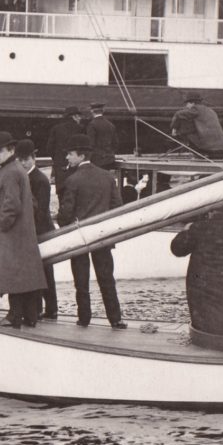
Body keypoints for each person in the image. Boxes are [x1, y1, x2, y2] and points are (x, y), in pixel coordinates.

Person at [57, 134, 126, 328]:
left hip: (80, 238)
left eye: (70, 154)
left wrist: (62, 222)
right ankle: (116, 319)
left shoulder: (73, 180)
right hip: (103, 237)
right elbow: (117, 206)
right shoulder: (107, 177)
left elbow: (66, 214)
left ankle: (84, 318)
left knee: (81, 281)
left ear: (80, 155)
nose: (67, 158)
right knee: (107, 279)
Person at [0, 133, 47, 328]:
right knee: (25, 275)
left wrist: (0, 227)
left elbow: (12, 204)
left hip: (12, 233)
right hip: (23, 232)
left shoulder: (9, 172)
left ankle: (14, 316)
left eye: (1, 151)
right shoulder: (17, 169)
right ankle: (30, 316)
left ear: (11, 151)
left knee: (13, 274)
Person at [169, 207, 223, 336]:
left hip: (202, 286)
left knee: (204, 323)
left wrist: (185, 231)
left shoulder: (198, 228)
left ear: (210, 210)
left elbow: (177, 250)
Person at [17, 139, 58, 320]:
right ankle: (40, 308)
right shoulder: (24, 177)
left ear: (34, 158)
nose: (23, 163)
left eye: (26, 159)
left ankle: (50, 308)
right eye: (20, 160)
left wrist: (30, 231)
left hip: (41, 230)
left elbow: (41, 209)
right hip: (32, 229)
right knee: (38, 270)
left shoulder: (40, 180)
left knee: (45, 271)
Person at [169, 94, 223, 158]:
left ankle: (200, 154)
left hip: (209, 147)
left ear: (192, 103)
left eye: (187, 104)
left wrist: (174, 128)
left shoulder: (196, 109)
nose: (186, 106)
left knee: (185, 131)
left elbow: (178, 114)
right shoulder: (210, 110)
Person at [45, 107, 86, 196]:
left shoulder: (56, 128)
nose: (80, 118)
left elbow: (49, 148)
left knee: (62, 192)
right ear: (74, 116)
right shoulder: (80, 129)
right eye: (79, 116)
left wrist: (57, 159)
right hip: (76, 166)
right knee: (77, 193)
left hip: (60, 166)